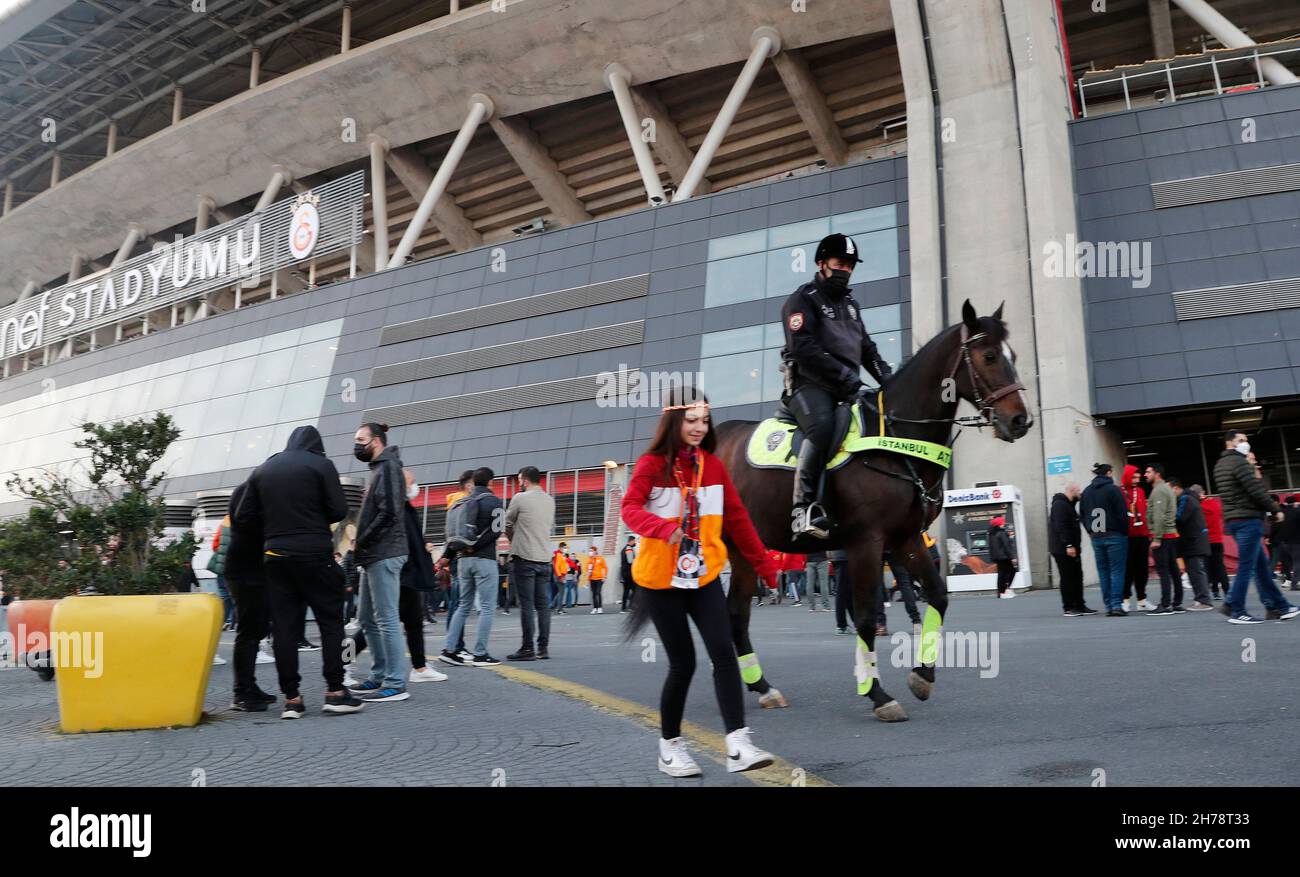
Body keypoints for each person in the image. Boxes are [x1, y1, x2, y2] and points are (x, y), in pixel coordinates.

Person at [621, 388, 779, 777]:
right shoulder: (651, 465)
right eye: (691, 420)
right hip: (660, 581)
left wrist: (764, 565)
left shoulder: (713, 466)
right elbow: (629, 508)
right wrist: (660, 528)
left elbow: (738, 519)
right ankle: (669, 746)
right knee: (683, 664)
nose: (698, 427)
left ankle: (738, 743)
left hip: (704, 574)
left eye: (704, 420)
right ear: (674, 421)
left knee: (724, 654)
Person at [234, 425, 364, 718]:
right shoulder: (321, 465)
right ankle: (335, 691)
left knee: (285, 628)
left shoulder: (263, 470)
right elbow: (339, 509)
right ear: (316, 445)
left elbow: (243, 516)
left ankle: (292, 698)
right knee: (331, 621)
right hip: (315, 553)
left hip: (276, 556)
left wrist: (274, 526)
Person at [780, 232, 893, 539]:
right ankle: (802, 510)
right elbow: (804, 348)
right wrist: (845, 377)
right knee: (823, 428)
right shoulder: (802, 299)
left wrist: (889, 381)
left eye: (851, 265)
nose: (846, 270)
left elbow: (867, 349)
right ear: (822, 263)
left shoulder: (851, 305)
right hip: (807, 386)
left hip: (845, 389)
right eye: (840, 263)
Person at [346, 423, 412, 702]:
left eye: (361, 439)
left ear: (377, 441)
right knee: (368, 619)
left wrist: (362, 541)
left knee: (385, 619)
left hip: (384, 553)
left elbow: (388, 514)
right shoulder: (379, 469)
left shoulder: (388, 469)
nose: (357, 445)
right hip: (374, 554)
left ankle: (395, 683)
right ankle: (379, 675)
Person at [1213, 430, 1298, 623]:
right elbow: (1255, 490)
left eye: (1246, 440)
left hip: (1234, 520)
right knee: (1246, 568)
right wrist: (1274, 509)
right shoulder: (1239, 462)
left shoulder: (1220, 465)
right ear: (1230, 443)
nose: (1245, 443)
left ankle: (1279, 606)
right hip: (1248, 520)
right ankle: (1235, 609)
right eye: (1241, 440)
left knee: (1260, 568)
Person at [439, 468, 506, 666]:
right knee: (486, 607)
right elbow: (496, 530)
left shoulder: (461, 502)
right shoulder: (493, 501)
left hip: (462, 560)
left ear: (473, 483)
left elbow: (454, 535)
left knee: (463, 605)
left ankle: (450, 649)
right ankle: (480, 653)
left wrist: (450, 555)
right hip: (484, 559)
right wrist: (474, 546)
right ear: (490, 482)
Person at [225, 480, 276, 711]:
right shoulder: (250, 491)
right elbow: (248, 522)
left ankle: (249, 686)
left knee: (255, 630)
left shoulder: (250, 490)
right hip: (244, 572)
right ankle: (241, 692)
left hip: (249, 570)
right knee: (248, 632)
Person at [503, 466, 556, 661]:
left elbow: (507, 523)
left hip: (524, 556)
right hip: (544, 557)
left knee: (527, 605)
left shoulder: (520, 498)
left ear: (524, 480)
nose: (519, 484)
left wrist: (513, 539)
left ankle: (527, 648)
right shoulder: (550, 500)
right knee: (543, 606)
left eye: (519, 480)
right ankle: (543, 648)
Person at [1078, 462, 1129, 617]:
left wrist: (1090, 530)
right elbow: (1122, 513)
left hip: (1096, 536)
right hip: (1114, 535)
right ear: (1108, 473)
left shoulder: (1087, 492)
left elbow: (1082, 514)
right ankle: (1116, 605)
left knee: (1103, 571)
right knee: (1117, 571)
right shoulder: (1114, 490)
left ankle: (1108, 605)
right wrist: (1123, 532)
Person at [1049, 483, 1094, 616]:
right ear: (1071, 490)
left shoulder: (1069, 505)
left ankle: (1080, 605)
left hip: (1072, 548)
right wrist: (1068, 545)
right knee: (1067, 577)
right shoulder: (1060, 505)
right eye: (1078, 490)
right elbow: (1061, 526)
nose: (1080, 493)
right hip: (1063, 549)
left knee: (1077, 576)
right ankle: (1068, 608)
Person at [1143, 463, 1182, 616]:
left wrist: (1157, 538)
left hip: (1163, 536)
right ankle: (1177, 603)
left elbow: (1159, 516)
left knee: (1164, 571)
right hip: (1170, 535)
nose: (1145, 475)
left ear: (1157, 474)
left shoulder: (1159, 491)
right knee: (1173, 570)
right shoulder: (1167, 489)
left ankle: (1165, 605)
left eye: (1148, 472)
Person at [1171, 478, 1214, 611]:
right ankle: (1200, 599)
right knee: (1194, 571)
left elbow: (1179, 517)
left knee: (1196, 571)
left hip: (1193, 541)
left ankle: (1204, 600)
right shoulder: (1189, 498)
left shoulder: (1186, 499)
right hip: (1193, 541)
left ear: (1176, 488)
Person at [1120, 463, 1155, 612]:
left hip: (1142, 536)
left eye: (1138, 477)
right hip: (1127, 537)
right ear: (1127, 476)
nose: (1136, 480)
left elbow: (1145, 512)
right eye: (1134, 477)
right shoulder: (1119, 492)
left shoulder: (1140, 491)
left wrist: (1150, 533)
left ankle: (1142, 599)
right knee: (1127, 570)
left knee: (1142, 570)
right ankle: (1125, 599)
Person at [1196, 485, 1229, 600]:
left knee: (1208, 568)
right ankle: (1227, 590)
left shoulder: (1199, 507)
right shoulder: (1215, 504)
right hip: (1218, 540)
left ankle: (1214, 590)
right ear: (1203, 492)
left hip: (1205, 541)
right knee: (1220, 567)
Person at [207, 517, 235, 630]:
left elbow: (214, 545)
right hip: (234, 566)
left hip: (221, 566)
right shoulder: (243, 521)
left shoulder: (224, 522)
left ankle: (224, 620)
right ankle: (232, 622)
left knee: (223, 595)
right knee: (235, 595)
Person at [988, 515, 1016, 599]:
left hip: (997, 557)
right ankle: (1005, 589)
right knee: (1012, 571)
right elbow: (1006, 545)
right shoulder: (1002, 533)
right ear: (999, 524)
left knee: (1001, 573)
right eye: (1002, 522)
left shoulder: (992, 533)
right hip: (1005, 556)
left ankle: (1001, 591)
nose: (1004, 523)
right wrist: (1012, 556)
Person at [585, 547, 608, 614]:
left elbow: (605, 567)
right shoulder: (589, 560)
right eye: (589, 551)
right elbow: (588, 570)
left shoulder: (600, 558)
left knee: (598, 592)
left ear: (595, 551)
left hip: (599, 579)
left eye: (591, 551)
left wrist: (605, 576)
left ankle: (600, 608)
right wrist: (587, 580)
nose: (590, 552)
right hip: (592, 579)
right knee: (594, 594)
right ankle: (595, 608)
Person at [619, 535, 637, 612]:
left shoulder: (625, 549)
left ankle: (625, 607)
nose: (635, 542)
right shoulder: (629, 549)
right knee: (634, 590)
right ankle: (628, 607)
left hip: (625, 573)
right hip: (628, 573)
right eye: (634, 541)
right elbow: (630, 561)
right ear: (631, 541)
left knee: (627, 590)